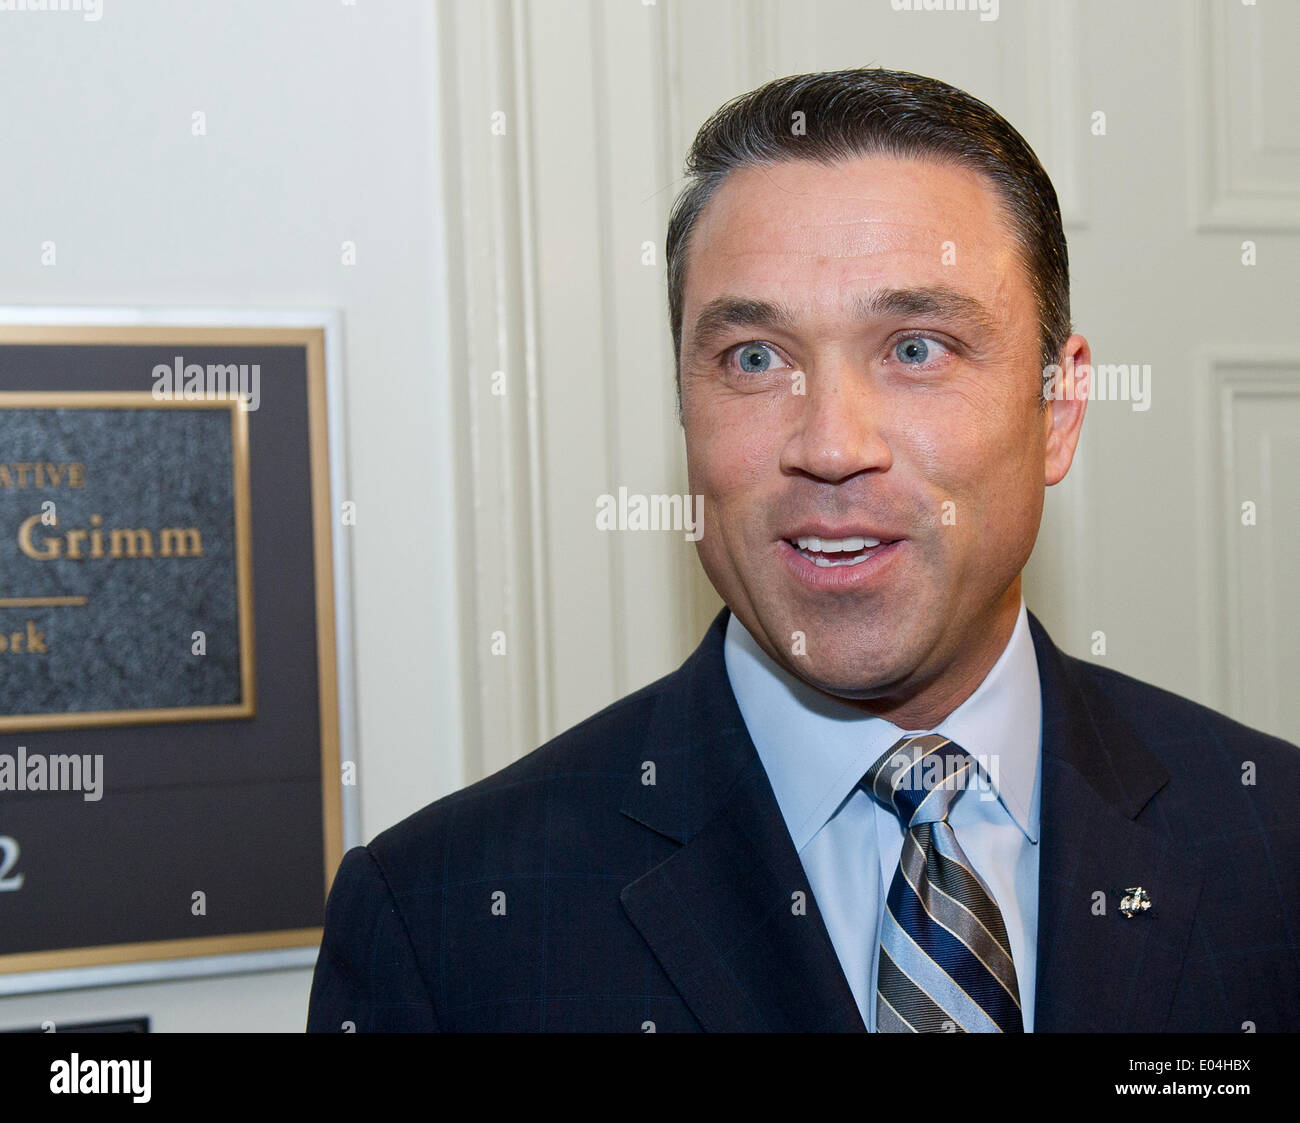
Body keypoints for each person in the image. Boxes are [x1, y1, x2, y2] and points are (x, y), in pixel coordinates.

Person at [307, 67, 1300, 1033]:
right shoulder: (444, 922)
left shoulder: (1274, 843)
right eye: (754, 359)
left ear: (1060, 409)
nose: (829, 445)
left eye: (917, 348)